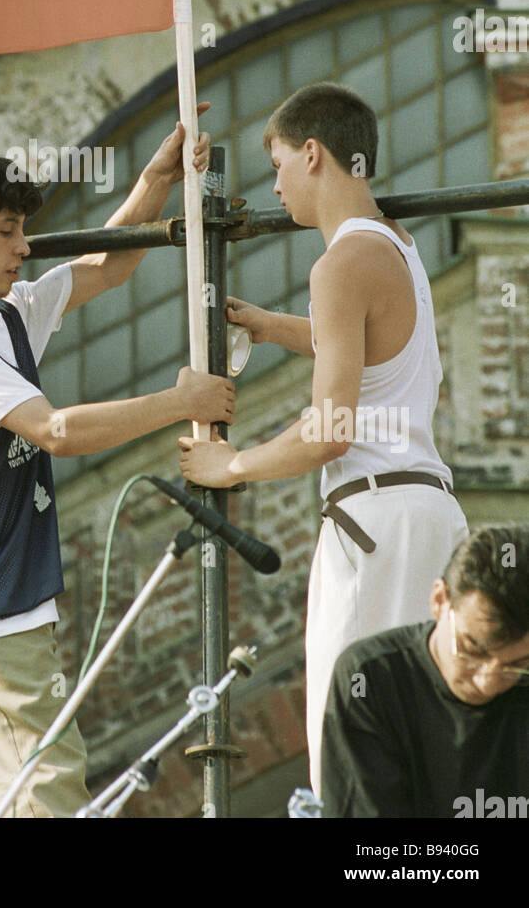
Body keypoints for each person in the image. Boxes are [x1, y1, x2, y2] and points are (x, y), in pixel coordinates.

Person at [0, 116, 235, 818]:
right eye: (6, 231)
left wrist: (157, 178)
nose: (24, 247)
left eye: (24, 229)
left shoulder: (7, 314)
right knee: (48, 790)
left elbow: (104, 267)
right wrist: (181, 402)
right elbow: (56, 430)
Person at [177, 81, 469, 795]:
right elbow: (369, 345)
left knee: (347, 755)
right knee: (423, 751)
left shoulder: (339, 263)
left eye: (277, 163)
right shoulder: (398, 246)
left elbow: (332, 430)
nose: (272, 183)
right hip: (425, 515)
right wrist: (275, 326)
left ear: (313, 154)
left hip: (374, 522)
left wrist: (231, 464)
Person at [321, 524, 529, 817]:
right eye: (472, 649)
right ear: (439, 600)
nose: (488, 682)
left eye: (517, 664)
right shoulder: (370, 679)